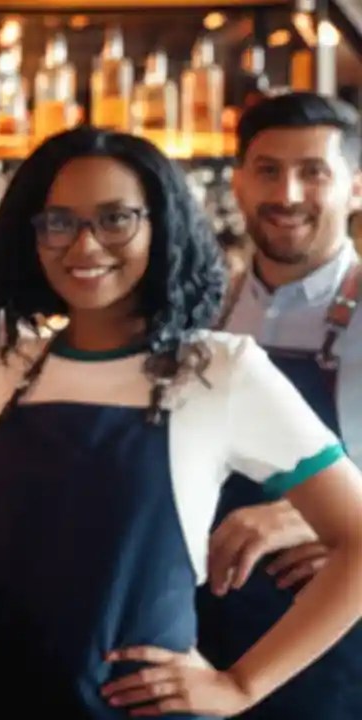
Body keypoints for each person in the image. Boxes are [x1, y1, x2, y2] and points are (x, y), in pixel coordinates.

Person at [0, 127, 362, 718]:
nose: (84, 247)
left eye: (116, 220)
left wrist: (241, 685)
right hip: (4, 700)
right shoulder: (12, 366)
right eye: (59, 222)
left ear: (160, 227)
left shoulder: (218, 369)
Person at [197, 92, 362, 718]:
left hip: (336, 652)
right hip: (203, 636)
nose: (287, 193)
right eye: (267, 170)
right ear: (238, 184)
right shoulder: (203, 314)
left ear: (355, 189)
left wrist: (331, 518)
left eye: (313, 172)